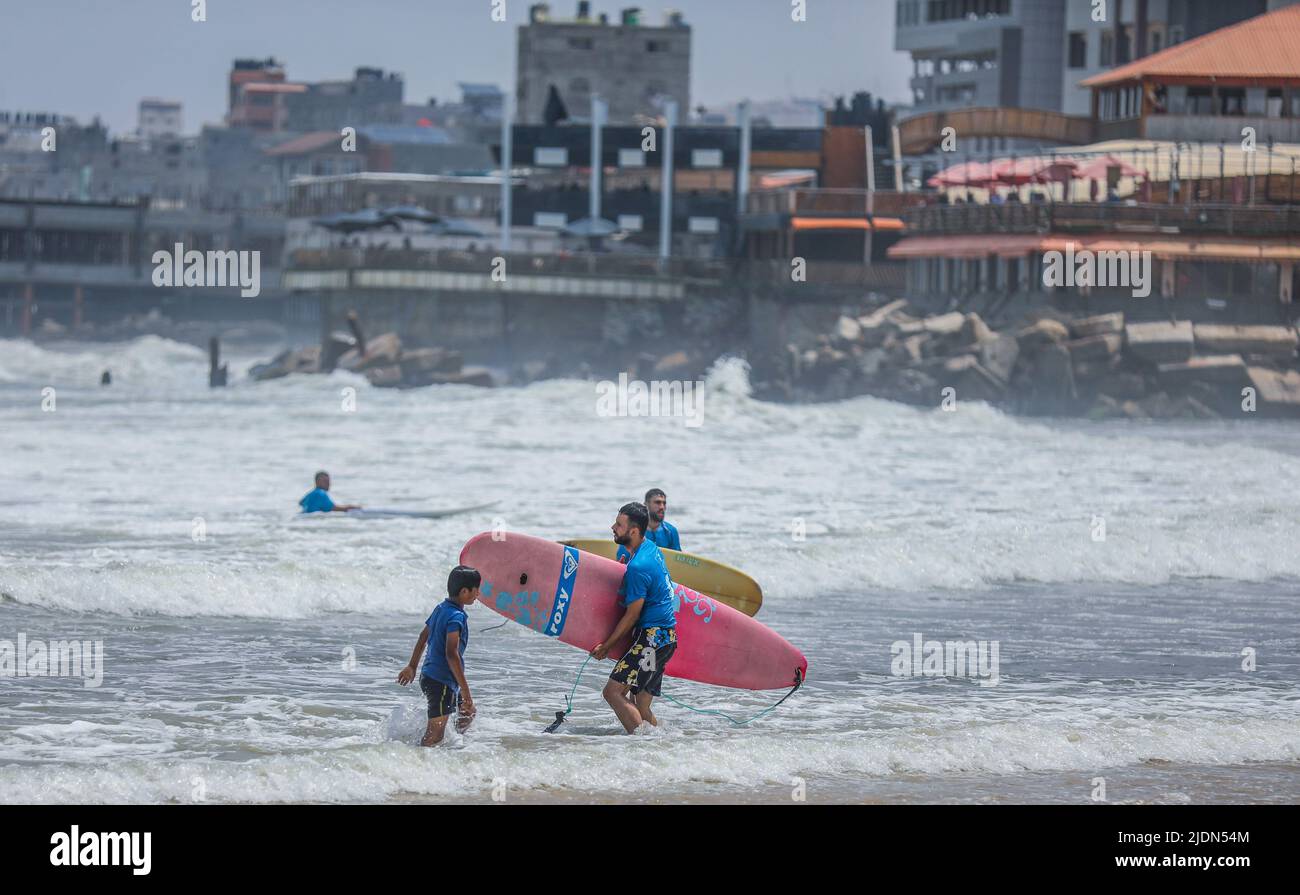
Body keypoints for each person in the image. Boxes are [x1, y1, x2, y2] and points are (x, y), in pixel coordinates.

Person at [591, 502, 679, 733]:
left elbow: (632, 614)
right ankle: (662, 744)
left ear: (633, 531)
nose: (613, 527)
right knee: (640, 702)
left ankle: (642, 747)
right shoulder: (650, 548)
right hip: (666, 639)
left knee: (612, 692)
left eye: (618, 525)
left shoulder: (638, 566)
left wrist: (606, 647)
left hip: (651, 640)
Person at [397, 565, 480, 746]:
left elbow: (423, 636)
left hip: (432, 676)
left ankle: (456, 745)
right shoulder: (456, 617)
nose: (478, 594)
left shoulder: (441, 608)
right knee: (435, 736)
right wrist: (466, 691)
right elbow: (451, 654)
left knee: (468, 712)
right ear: (464, 591)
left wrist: (412, 666)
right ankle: (417, 763)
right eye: (476, 590)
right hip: (441, 681)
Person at [616, 488, 681, 562]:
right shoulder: (632, 531)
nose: (662, 507)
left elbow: (678, 561)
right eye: (658, 502)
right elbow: (621, 560)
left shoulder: (671, 531)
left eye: (664, 503)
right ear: (646, 505)